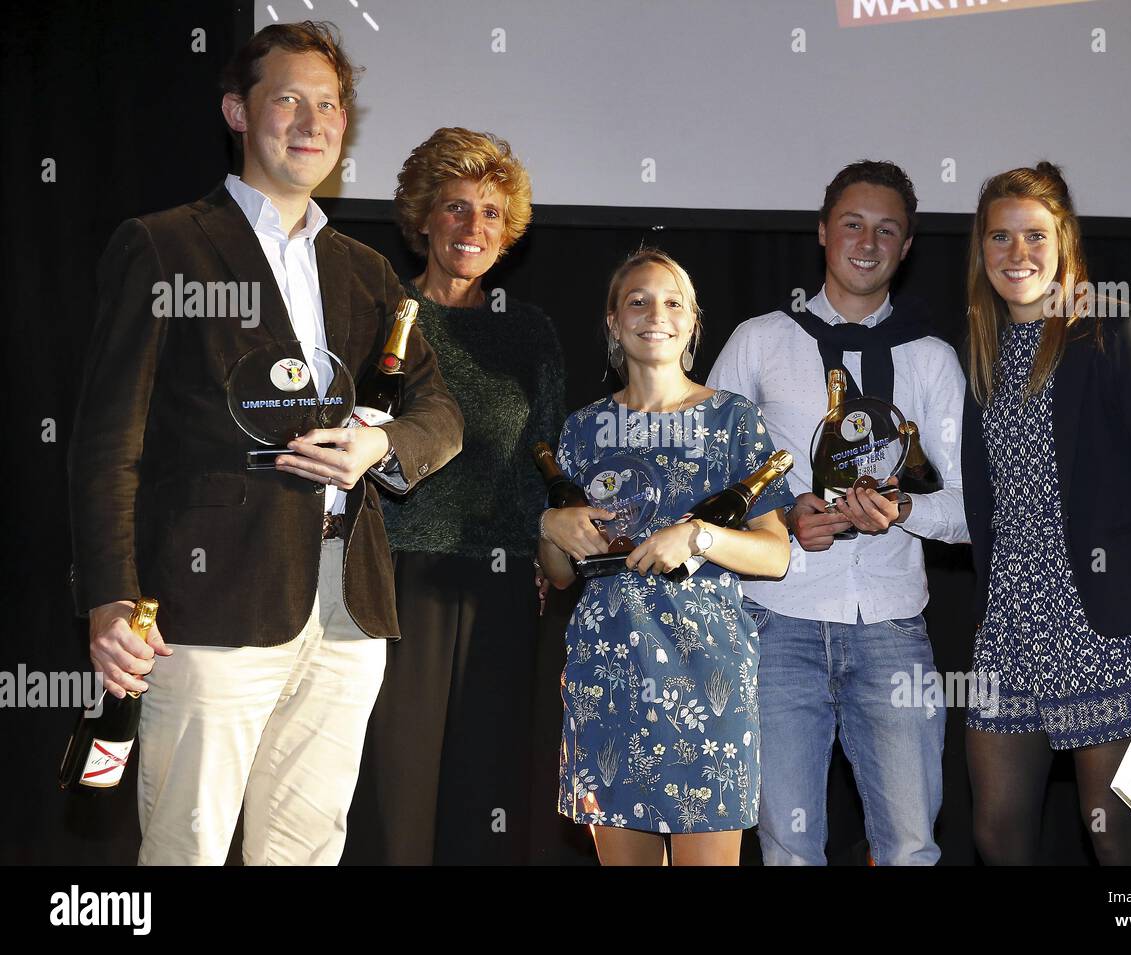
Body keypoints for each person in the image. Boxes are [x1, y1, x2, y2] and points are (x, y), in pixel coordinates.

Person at [66, 21, 463, 866]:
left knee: (308, 846)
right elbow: (108, 444)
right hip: (207, 603)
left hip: (348, 603)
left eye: (329, 105)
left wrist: (377, 448)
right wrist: (108, 598)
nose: (312, 120)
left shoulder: (363, 267)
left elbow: (439, 414)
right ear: (238, 113)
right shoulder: (165, 244)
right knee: (189, 844)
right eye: (288, 98)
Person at [707, 160, 968, 865]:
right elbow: (705, 489)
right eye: (852, 223)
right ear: (822, 232)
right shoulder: (759, 341)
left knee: (911, 847)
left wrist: (902, 506)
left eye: (888, 229)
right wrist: (783, 519)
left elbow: (972, 510)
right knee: (790, 849)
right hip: (776, 621)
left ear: (907, 247)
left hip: (890, 627)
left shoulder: (932, 360)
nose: (867, 240)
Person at [961, 162, 1131, 865]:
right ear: (980, 251)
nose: (1017, 254)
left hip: (1113, 628)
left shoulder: (1110, 333)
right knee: (996, 833)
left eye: (1034, 236)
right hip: (1009, 624)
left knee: (1113, 833)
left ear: (1064, 242)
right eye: (999, 238)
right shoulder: (977, 353)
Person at [345, 127, 565, 864]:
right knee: (391, 804)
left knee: (487, 802)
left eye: (493, 214)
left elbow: (546, 459)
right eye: (457, 208)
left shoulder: (530, 333)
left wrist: (541, 552)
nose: (475, 227)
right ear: (422, 218)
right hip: (392, 581)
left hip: (501, 592)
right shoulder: (376, 317)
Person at [537, 249, 793, 866]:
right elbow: (560, 575)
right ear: (613, 322)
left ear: (693, 323)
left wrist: (698, 537)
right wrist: (551, 527)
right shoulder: (582, 429)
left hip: (711, 677)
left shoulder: (732, 419)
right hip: (609, 674)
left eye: (673, 302)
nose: (657, 314)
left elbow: (776, 555)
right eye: (639, 301)